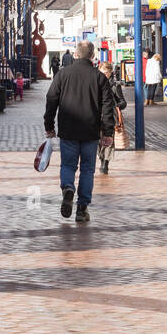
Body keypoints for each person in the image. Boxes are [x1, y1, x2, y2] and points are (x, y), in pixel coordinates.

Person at [44, 40, 115, 224]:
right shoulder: (100, 78)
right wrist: (107, 132)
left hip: (68, 130)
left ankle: (68, 188)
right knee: (87, 169)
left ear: (76, 54)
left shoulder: (62, 75)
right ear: (92, 56)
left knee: (68, 165)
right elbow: (108, 106)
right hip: (90, 131)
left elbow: (51, 99)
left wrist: (49, 125)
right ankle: (82, 209)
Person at [98, 60, 126, 174]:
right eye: (102, 72)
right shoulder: (95, 84)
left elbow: (123, 102)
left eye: (107, 72)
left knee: (109, 140)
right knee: (99, 140)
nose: (105, 74)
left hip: (111, 117)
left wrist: (116, 105)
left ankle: (105, 163)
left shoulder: (115, 86)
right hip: (98, 116)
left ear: (110, 72)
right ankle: (101, 159)